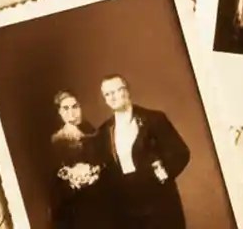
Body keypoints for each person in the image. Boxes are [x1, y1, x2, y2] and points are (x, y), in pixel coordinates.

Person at [95, 75, 189, 229]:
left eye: (116, 91)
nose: (112, 97)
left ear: (126, 91)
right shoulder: (103, 131)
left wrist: (163, 173)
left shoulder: (154, 119)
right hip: (127, 205)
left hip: (158, 198)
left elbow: (181, 152)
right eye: (107, 94)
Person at [48, 91, 113, 229]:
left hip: (99, 194)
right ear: (59, 113)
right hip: (72, 198)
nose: (72, 113)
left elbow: (104, 160)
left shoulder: (93, 131)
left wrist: (98, 170)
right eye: (66, 109)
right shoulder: (57, 139)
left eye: (75, 107)